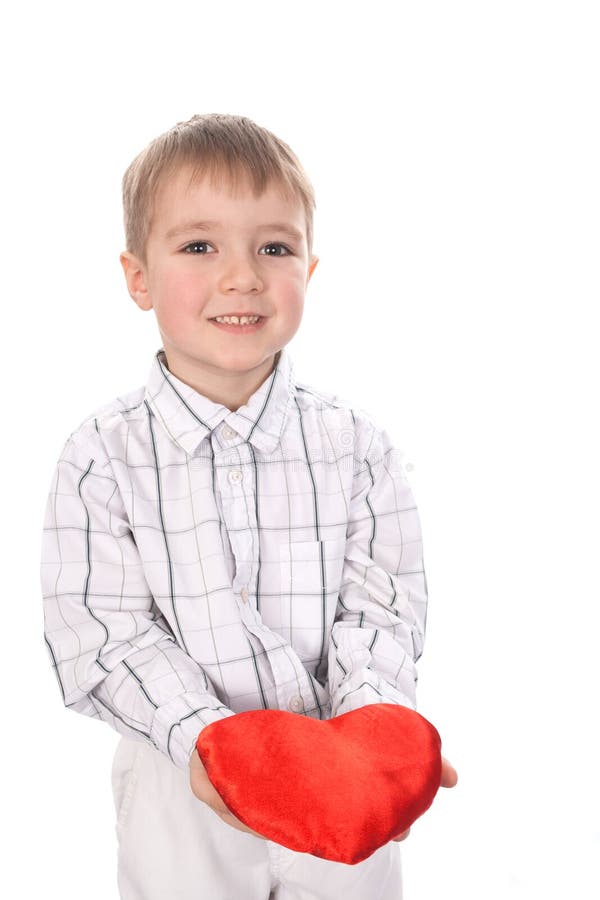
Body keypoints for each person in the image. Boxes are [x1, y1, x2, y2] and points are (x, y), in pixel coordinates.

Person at [40, 113, 457, 900]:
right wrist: (209, 744)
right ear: (138, 277)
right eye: (200, 246)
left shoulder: (357, 445)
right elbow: (103, 633)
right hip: (181, 780)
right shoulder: (102, 457)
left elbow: (382, 608)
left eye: (274, 248)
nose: (242, 277)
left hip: (340, 768)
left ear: (310, 268)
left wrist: (380, 735)